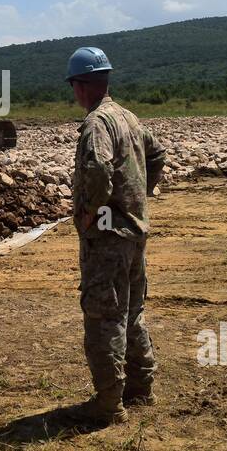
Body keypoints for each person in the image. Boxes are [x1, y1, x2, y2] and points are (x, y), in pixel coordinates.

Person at [63, 46, 167, 425]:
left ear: (81, 85)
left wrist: (90, 214)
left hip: (108, 237)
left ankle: (108, 405)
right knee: (132, 311)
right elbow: (157, 155)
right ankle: (141, 388)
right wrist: (139, 195)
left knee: (104, 316)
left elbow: (98, 170)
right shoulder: (128, 117)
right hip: (135, 233)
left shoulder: (97, 124)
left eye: (74, 84)